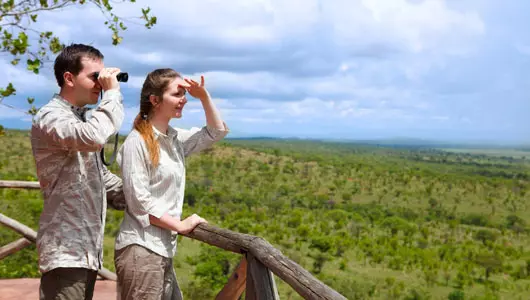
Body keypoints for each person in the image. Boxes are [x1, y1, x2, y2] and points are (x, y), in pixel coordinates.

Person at [114, 68, 229, 300]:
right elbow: (140, 203)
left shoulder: (174, 139)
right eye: (178, 94)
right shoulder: (137, 142)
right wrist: (180, 225)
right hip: (142, 249)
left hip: (162, 249)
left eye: (184, 94)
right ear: (155, 100)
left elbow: (215, 132)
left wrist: (204, 96)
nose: (184, 99)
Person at [30, 43, 127, 300]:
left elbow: (98, 178)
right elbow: (94, 137)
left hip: (86, 251)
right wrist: (112, 94)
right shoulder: (50, 117)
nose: (101, 83)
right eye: (95, 76)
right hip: (65, 251)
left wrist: (140, 194)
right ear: (69, 78)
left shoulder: (81, 118)